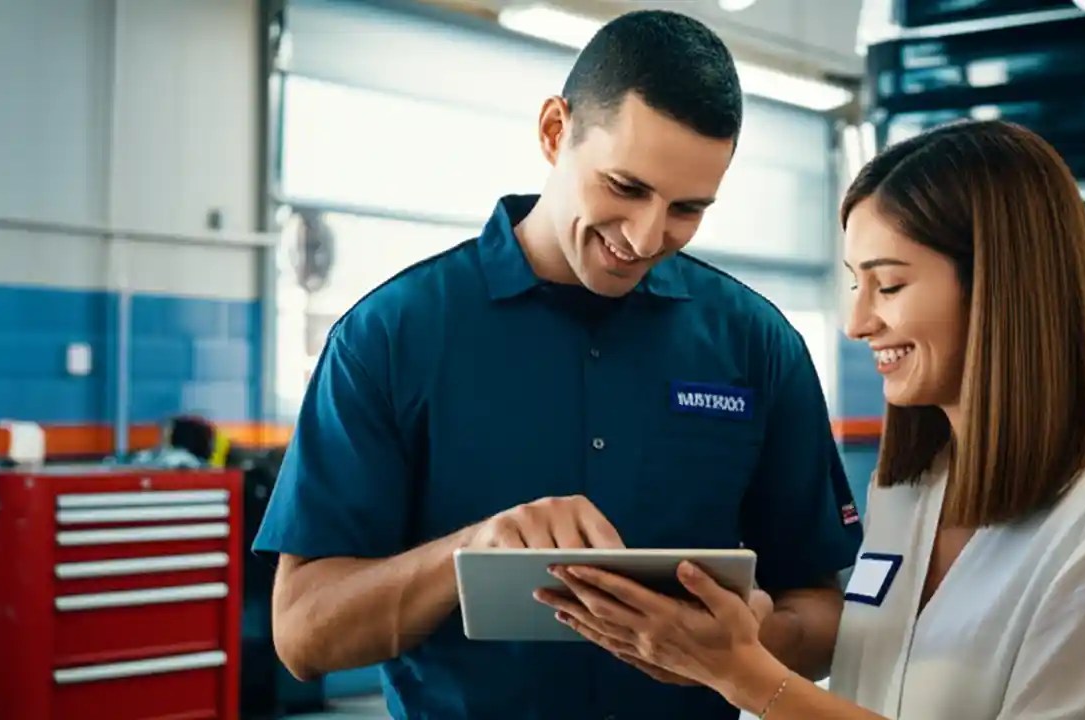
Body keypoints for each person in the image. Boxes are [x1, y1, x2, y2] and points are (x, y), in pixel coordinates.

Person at [252, 9, 863, 720]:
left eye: (687, 209)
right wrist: (472, 553)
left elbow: (822, 616)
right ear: (553, 131)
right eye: (626, 188)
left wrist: (747, 640)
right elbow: (303, 635)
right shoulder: (389, 337)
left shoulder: (757, 346)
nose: (644, 237)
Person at [538, 119, 1085, 719]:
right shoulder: (909, 488)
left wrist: (744, 676)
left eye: (890, 285)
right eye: (855, 283)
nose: (858, 323)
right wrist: (727, 637)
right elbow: (868, 676)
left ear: (1000, 285)